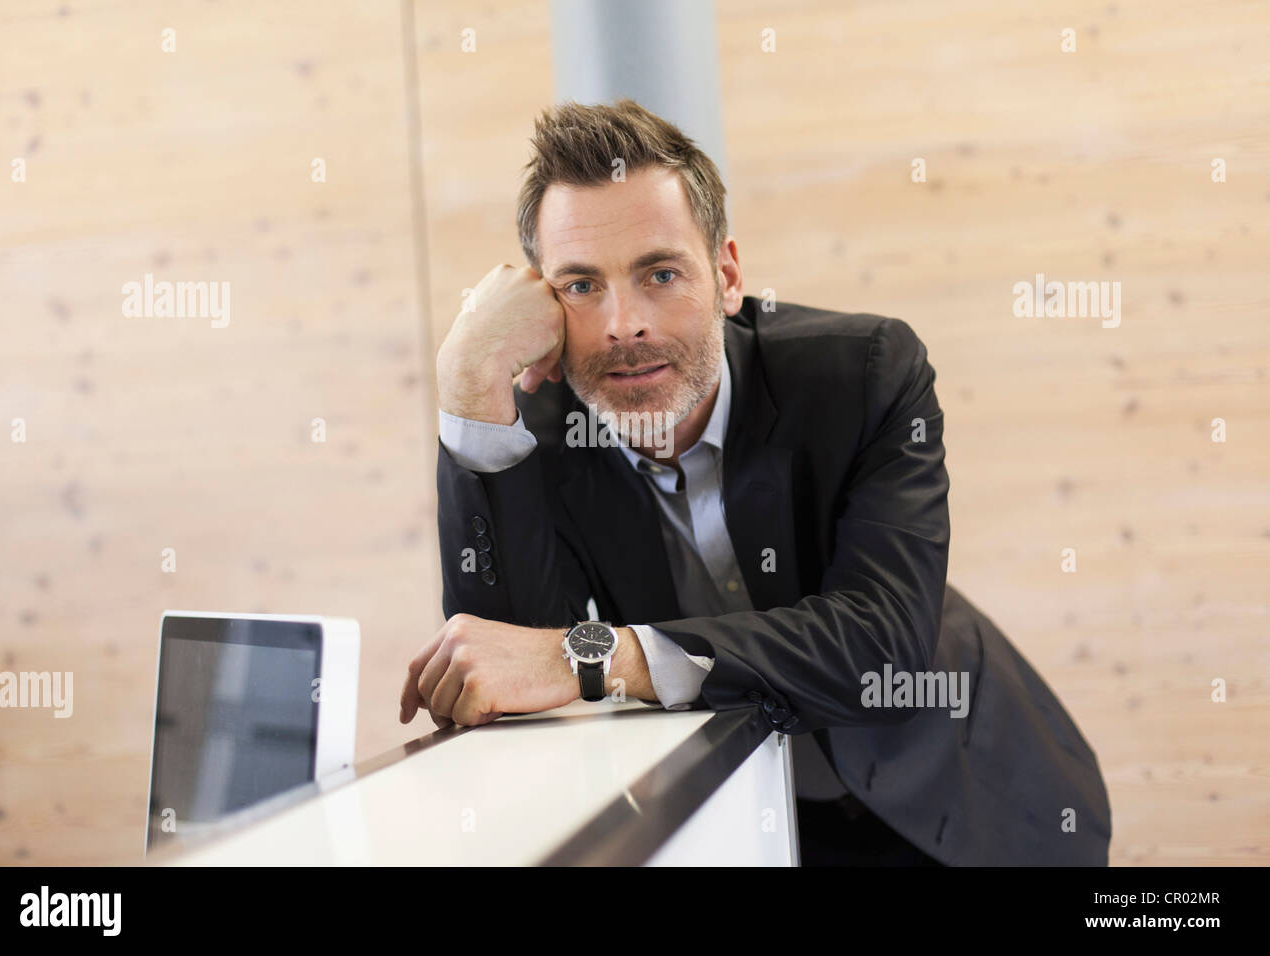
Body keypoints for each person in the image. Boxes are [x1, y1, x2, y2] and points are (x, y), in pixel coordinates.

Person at [399, 98, 1111, 865]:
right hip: (743, 819)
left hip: (963, 798)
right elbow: (506, 672)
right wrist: (467, 382)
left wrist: (593, 657)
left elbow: (878, 645)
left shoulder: (864, 373)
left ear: (728, 276)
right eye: (581, 286)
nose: (622, 325)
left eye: (660, 273)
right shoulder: (535, 429)